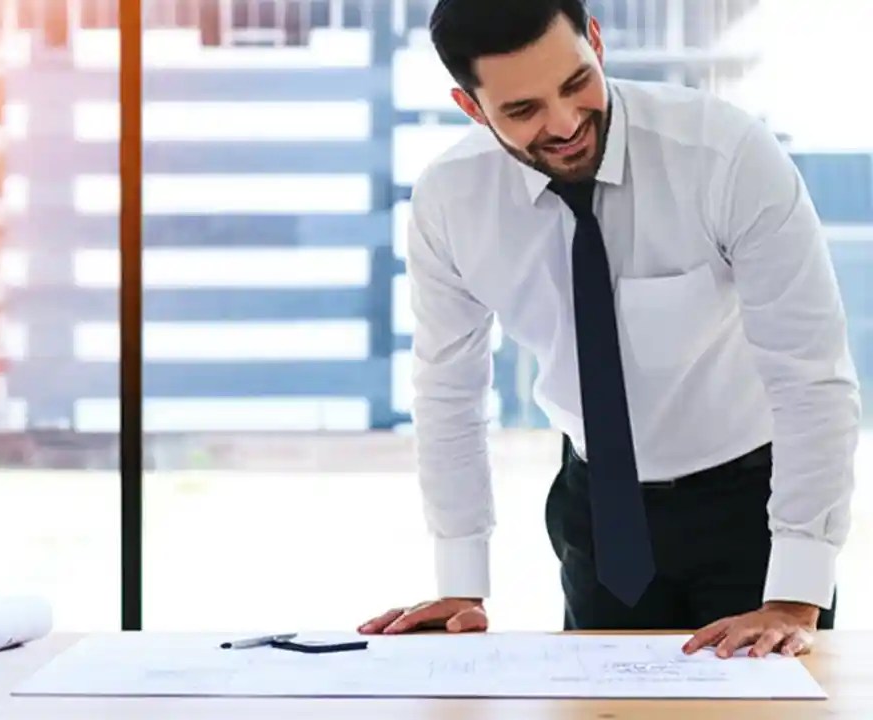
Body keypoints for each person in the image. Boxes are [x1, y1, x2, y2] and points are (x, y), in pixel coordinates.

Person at [358, 0, 860, 659]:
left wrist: (795, 595)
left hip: (753, 507)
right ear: (472, 107)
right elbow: (448, 392)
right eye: (522, 110)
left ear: (595, 41)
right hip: (599, 514)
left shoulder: (724, 154)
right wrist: (461, 585)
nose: (564, 124)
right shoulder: (452, 200)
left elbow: (811, 376)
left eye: (575, 83)